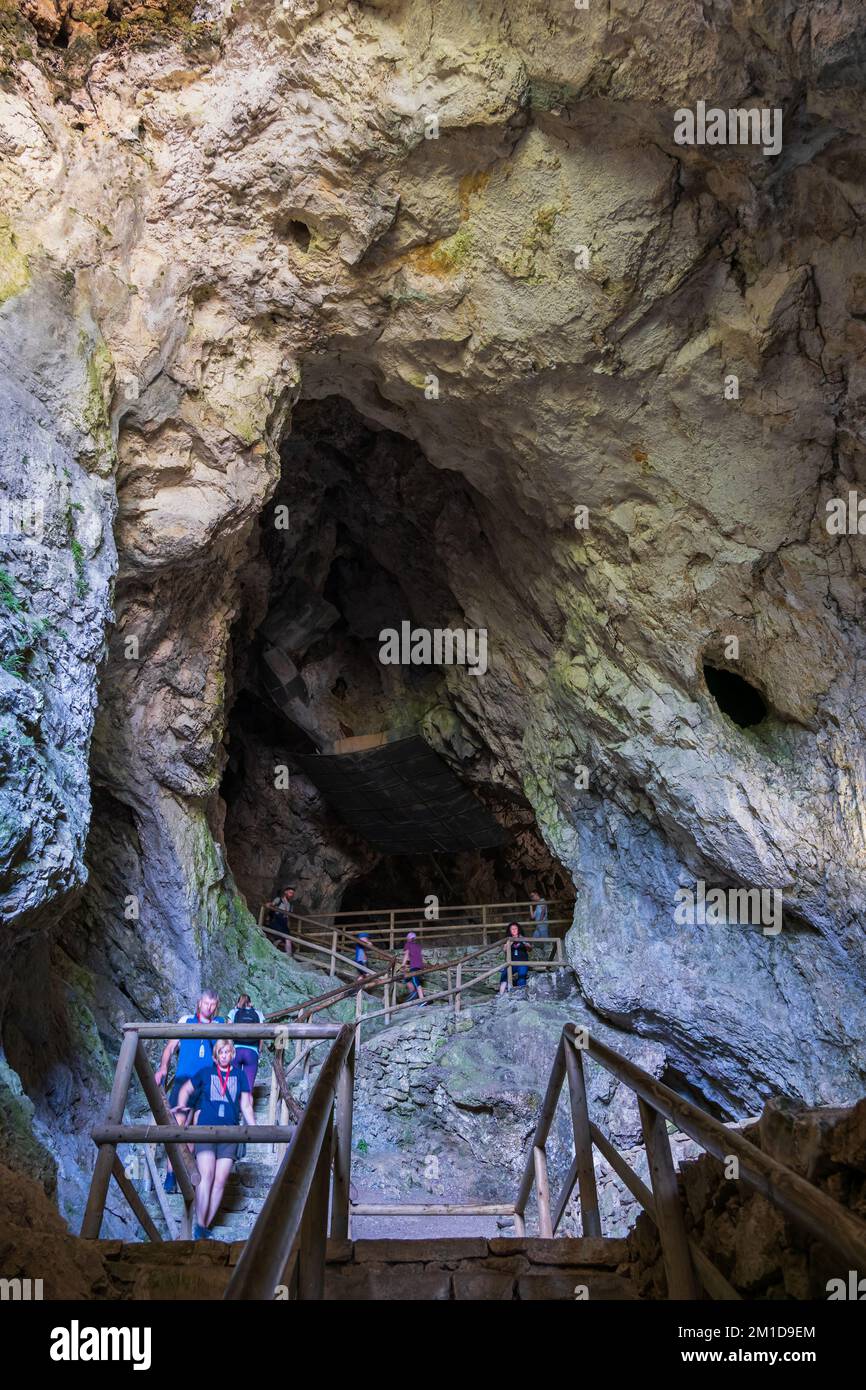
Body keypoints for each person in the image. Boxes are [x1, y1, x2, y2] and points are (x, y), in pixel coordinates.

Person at [177, 1038, 256, 1240]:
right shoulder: (205, 1073)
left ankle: (205, 1225)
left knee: (220, 1181)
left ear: (232, 1055)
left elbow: (246, 1105)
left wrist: (254, 1127)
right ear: (215, 1055)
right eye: (220, 1053)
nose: (223, 1056)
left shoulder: (239, 1075)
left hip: (230, 1132)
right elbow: (186, 1088)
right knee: (206, 1176)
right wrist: (182, 1106)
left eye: (227, 1052)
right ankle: (200, 1225)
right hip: (206, 1129)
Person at [154, 989, 225, 1193]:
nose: (209, 1008)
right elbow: (170, 1047)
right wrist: (163, 1068)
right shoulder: (185, 1020)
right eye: (205, 1003)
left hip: (207, 1086)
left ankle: (188, 1175)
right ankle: (170, 1175)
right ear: (199, 1003)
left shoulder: (220, 1025)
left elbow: (228, 1051)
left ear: (216, 1005)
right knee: (177, 1129)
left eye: (212, 1005)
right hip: (184, 1082)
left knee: (196, 1132)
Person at [227, 993, 265, 1096]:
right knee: (248, 1088)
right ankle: (246, 1110)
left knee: (232, 1084)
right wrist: (259, 1050)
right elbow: (262, 1034)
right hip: (252, 1051)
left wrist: (230, 1050)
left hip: (236, 1050)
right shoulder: (258, 1013)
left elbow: (228, 1032)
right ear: (250, 1002)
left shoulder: (233, 1012)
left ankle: (233, 1110)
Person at [499, 921, 529, 995]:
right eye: (512, 929)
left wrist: (522, 941)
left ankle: (521, 994)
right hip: (511, 963)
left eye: (516, 928)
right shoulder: (508, 940)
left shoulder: (523, 938)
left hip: (522, 962)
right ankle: (501, 994)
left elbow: (530, 948)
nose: (514, 930)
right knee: (504, 974)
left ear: (518, 929)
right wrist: (511, 940)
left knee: (522, 975)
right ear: (510, 931)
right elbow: (505, 950)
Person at [266, 886, 295, 955]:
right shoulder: (278, 900)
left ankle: (288, 954)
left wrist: (288, 926)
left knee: (287, 938)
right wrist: (268, 904)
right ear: (285, 892)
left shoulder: (290, 905)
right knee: (280, 937)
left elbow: (288, 917)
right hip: (276, 921)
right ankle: (277, 952)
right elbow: (272, 904)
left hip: (284, 923)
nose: (292, 895)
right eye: (290, 892)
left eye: (293, 893)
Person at [402, 931, 426, 1005]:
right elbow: (419, 956)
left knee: (416, 983)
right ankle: (414, 993)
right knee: (406, 979)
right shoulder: (418, 946)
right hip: (420, 966)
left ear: (408, 939)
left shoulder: (408, 944)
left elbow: (406, 955)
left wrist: (403, 964)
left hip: (414, 966)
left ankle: (422, 1000)